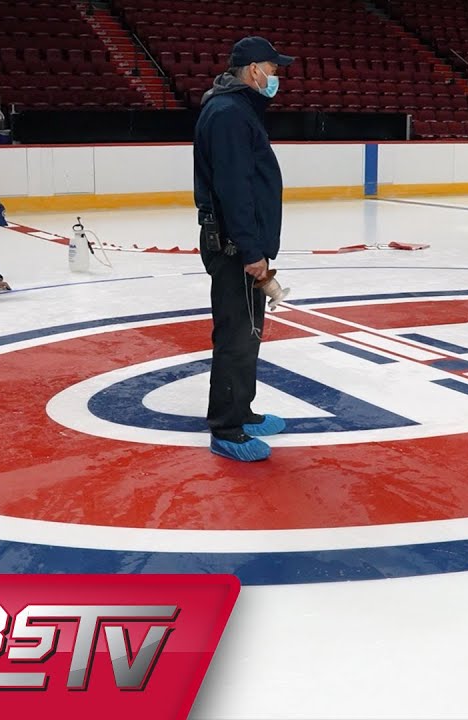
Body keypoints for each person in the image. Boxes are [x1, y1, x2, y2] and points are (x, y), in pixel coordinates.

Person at [192, 36, 294, 462]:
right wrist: (252, 251)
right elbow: (235, 189)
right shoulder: (229, 114)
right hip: (235, 246)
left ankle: (243, 411)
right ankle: (227, 428)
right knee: (236, 336)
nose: (275, 77)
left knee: (248, 332)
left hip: (242, 243)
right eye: (273, 70)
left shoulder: (237, 109)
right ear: (254, 70)